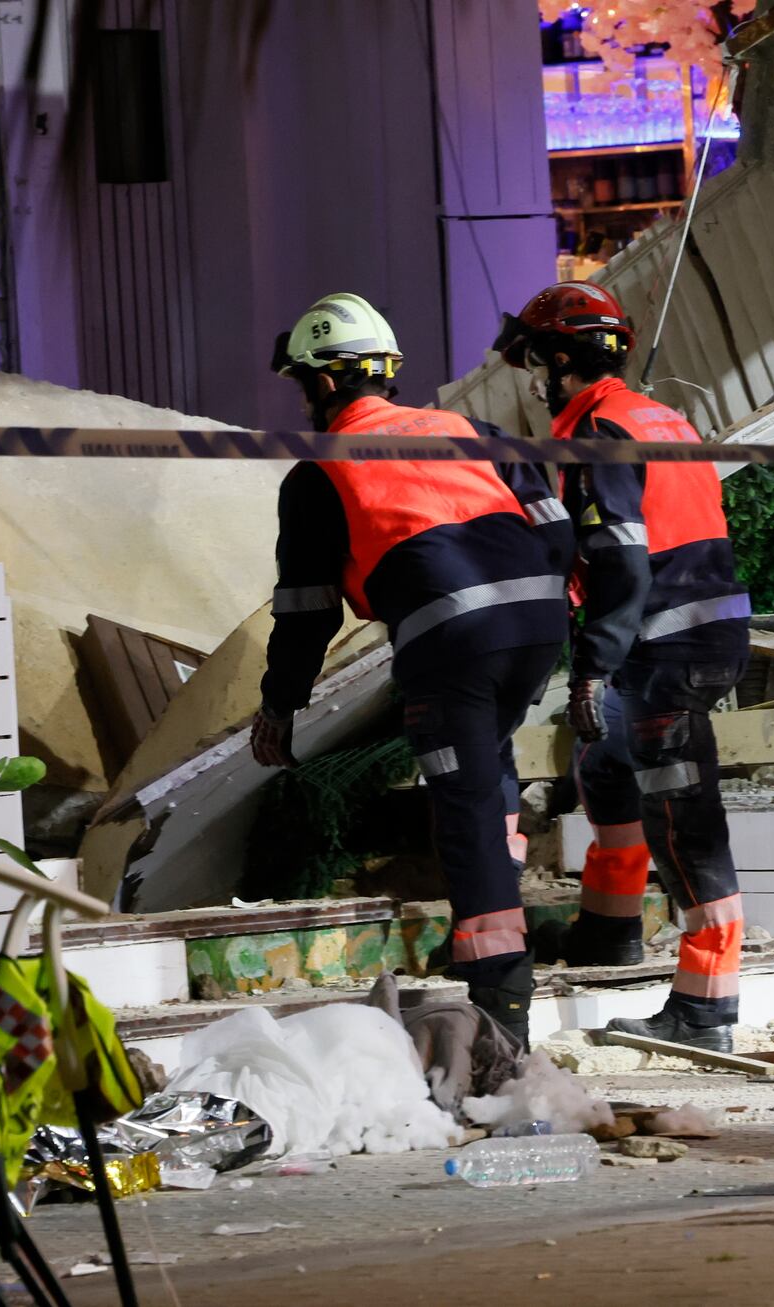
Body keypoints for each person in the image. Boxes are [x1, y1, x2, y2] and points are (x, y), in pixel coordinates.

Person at [253, 293, 572, 1047]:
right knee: (486, 765)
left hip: (452, 639)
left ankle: (501, 1005)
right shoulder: (473, 431)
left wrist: (279, 705)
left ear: (322, 383)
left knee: (464, 810)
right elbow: (556, 533)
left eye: (301, 387)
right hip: (537, 623)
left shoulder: (319, 472)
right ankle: (490, 919)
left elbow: (306, 612)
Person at [494, 281, 753, 1054]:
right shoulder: (655, 416)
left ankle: (706, 1010)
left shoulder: (598, 431)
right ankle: (609, 931)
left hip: (665, 646)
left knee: (683, 823)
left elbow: (621, 561)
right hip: (690, 633)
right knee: (604, 763)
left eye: (535, 360)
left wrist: (592, 667)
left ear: (561, 359)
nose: (533, 379)